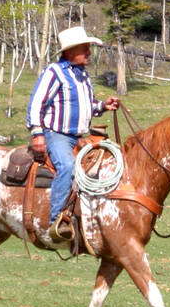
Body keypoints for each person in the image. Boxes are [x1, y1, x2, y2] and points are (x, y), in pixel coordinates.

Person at [27, 26, 120, 244]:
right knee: (67, 167)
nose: (88, 52)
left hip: (79, 136)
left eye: (88, 48)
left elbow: (86, 106)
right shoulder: (54, 72)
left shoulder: (82, 75)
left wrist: (103, 106)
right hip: (57, 135)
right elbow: (36, 104)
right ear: (69, 51)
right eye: (84, 48)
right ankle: (57, 221)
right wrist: (37, 134)